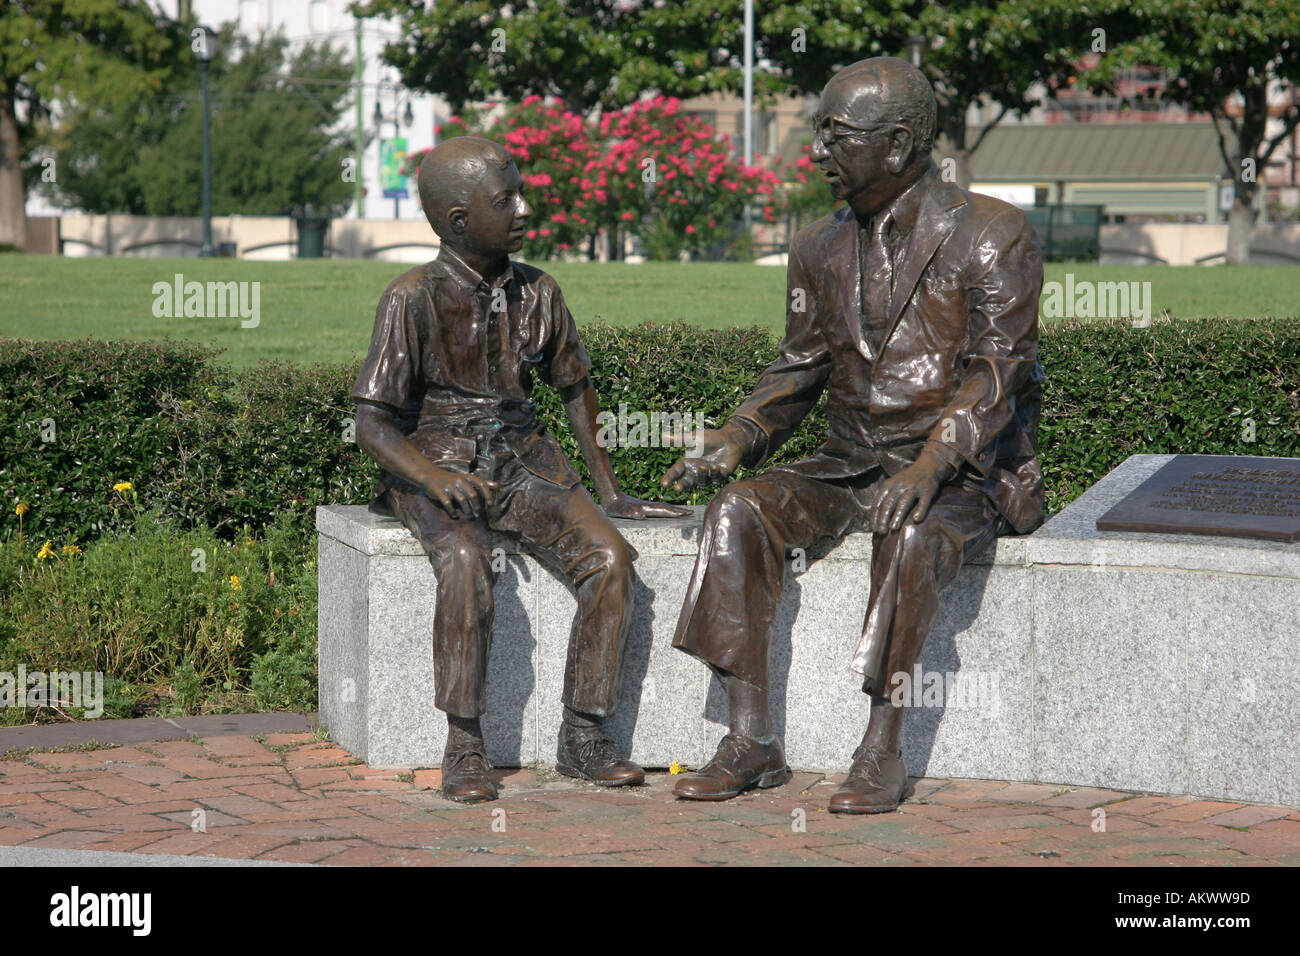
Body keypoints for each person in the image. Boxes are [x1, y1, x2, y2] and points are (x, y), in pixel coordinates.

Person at [662, 57, 1045, 813]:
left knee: (907, 536)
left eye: (835, 136)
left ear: (898, 144)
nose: (817, 153)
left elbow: (997, 375)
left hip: (963, 472)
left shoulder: (995, 234)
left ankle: (881, 749)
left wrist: (931, 464)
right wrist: (738, 436)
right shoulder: (816, 245)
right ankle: (751, 742)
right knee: (737, 509)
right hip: (848, 463)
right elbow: (800, 366)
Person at [353, 136, 686, 803]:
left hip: (524, 463)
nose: (524, 208)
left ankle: (584, 736)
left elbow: (573, 389)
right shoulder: (409, 299)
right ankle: (465, 742)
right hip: (438, 462)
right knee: (466, 565)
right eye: (507, 199)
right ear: (457, 221)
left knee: (611, 559)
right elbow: (372, 422)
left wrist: (610, 490)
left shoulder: (540, 292)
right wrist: (431, 478)